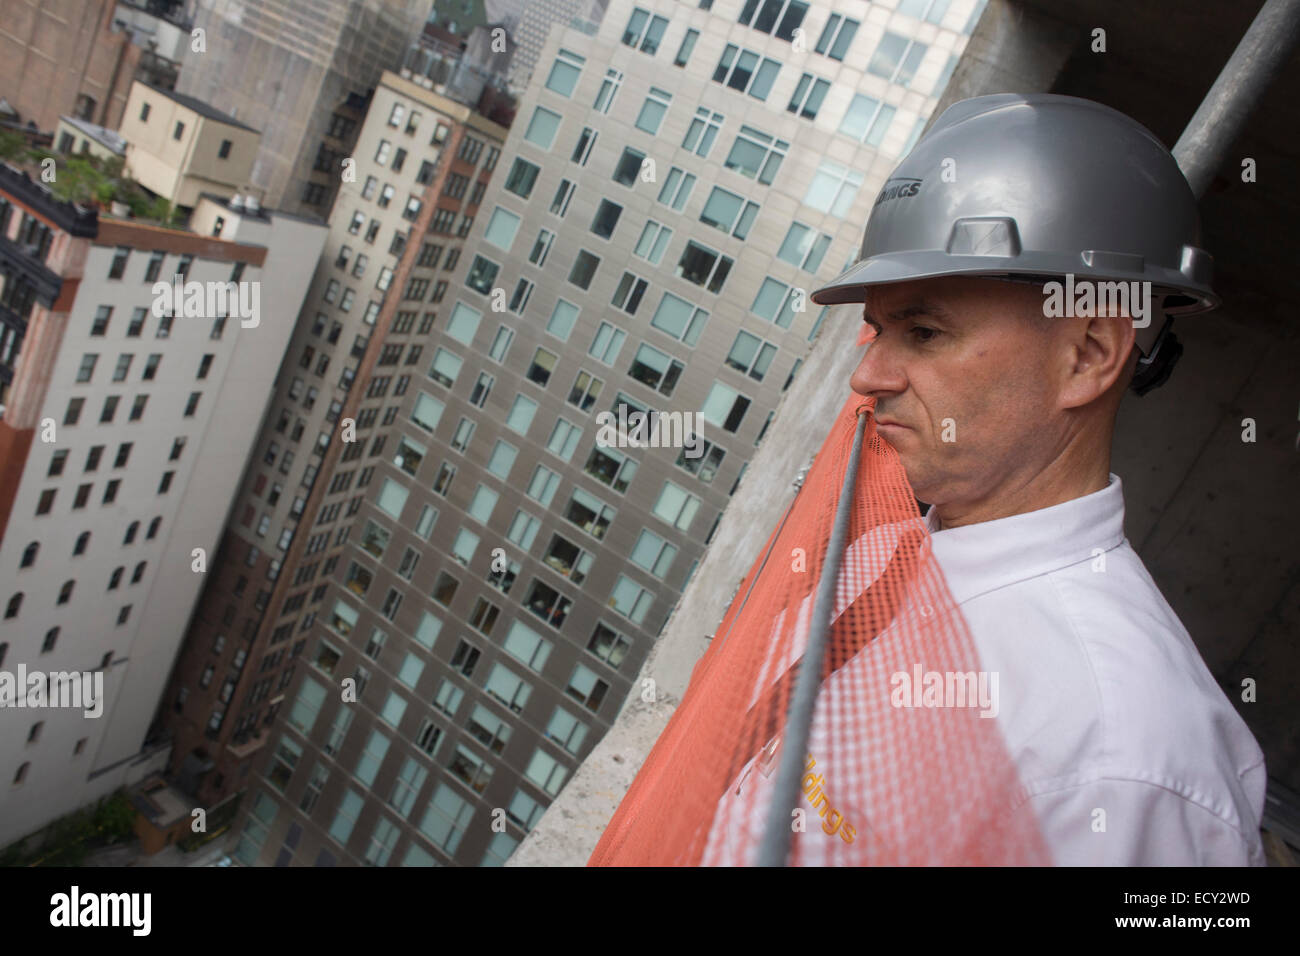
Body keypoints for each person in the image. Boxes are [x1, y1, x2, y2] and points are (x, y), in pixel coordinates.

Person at [807, 93, 1266, 864]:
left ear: (1086, 355)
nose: (867, 375)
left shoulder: (1124, 761)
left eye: (924, 332)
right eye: (879, 331)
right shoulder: (893, 553)